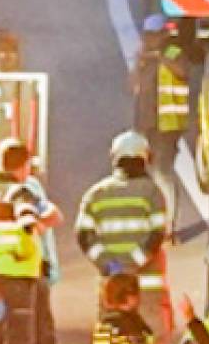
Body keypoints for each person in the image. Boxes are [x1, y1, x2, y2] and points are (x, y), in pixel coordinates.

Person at [0, 140, 68, 344]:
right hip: (19, 272)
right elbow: (29, 220)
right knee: (22, 340)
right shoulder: (20, 192)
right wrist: (34, 226)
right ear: (23, 166)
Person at [74, 130, 172, 327]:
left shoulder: (96, 194)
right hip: (146, 290)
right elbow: (157, 235)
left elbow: (84, 236)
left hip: (112, 289)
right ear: (145, 158)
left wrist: (111, 266)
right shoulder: (152, 193)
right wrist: (131, 265)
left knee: (111, 342)